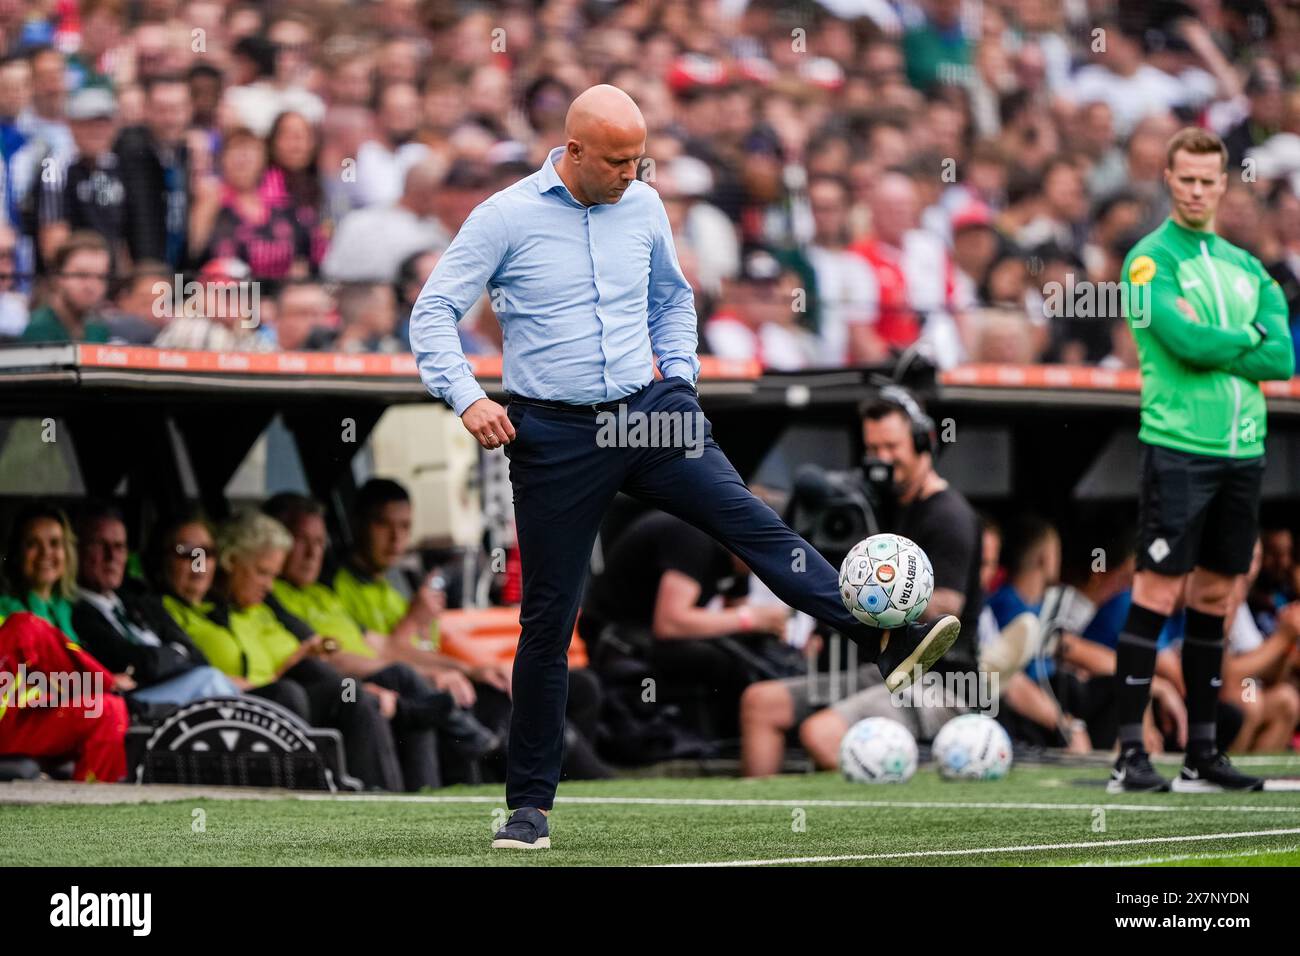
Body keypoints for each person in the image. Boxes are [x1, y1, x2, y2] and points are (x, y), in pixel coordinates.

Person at [1112, 127, 1295, 793]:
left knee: (1217, 596)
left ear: (1224, 184)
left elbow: (1286, 357)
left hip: (1243, 450)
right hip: (1178, 447)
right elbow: (1181, 340)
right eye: (1184, 178)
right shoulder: (1143, 262)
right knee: (1156, 593)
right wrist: (1246, 336)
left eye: (1206, 180)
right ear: (1168, 178)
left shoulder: (1248, 268)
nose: (1195, 190)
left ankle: (1203, 753)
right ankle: (1129, 754)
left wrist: (1230, 341)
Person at [740, 388, 982, 775]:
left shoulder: (948, 514)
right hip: (880, 669)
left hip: (940, 679)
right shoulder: (877, 504)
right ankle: (757, 821)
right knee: (759, 703)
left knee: (822, 734)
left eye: (891, 446)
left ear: (922, 442)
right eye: (873, 448)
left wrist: (877, 592)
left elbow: (948, 607)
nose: (881, 459)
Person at [149, 511, 405, 791]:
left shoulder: (227, 609)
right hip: (228, 713)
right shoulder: (159, 610)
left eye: (207, 552)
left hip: (278, 699)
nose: (199, 563)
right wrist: (282, 672)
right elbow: (199, 678)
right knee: (288, 691)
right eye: (186, 552)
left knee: (350, 692)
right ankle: (313, 806)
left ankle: (386, 801)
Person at [71, 502, 240, 707]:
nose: (111, 557)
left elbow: (197, 658)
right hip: (131, 707)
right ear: (75, 551)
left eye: (119, 547)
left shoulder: (138, 603)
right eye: (99, 545)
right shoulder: (76, 610)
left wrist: (162, 659)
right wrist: (174, 653)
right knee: (209, 681)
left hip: (176, 698)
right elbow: (139, 662)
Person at [0, 502, 83, 640]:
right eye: (32, 543)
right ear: (16, 554)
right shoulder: (3, 611)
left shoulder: (74, 609)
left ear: (67, 552)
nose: (45, 552)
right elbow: (17, 662)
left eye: (54, 543)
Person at [20, 231, 113, 342]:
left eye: (100, 277)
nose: (91, 286)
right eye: (81, 275)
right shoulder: (39, 330)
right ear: (57, 276)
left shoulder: (98, 330)